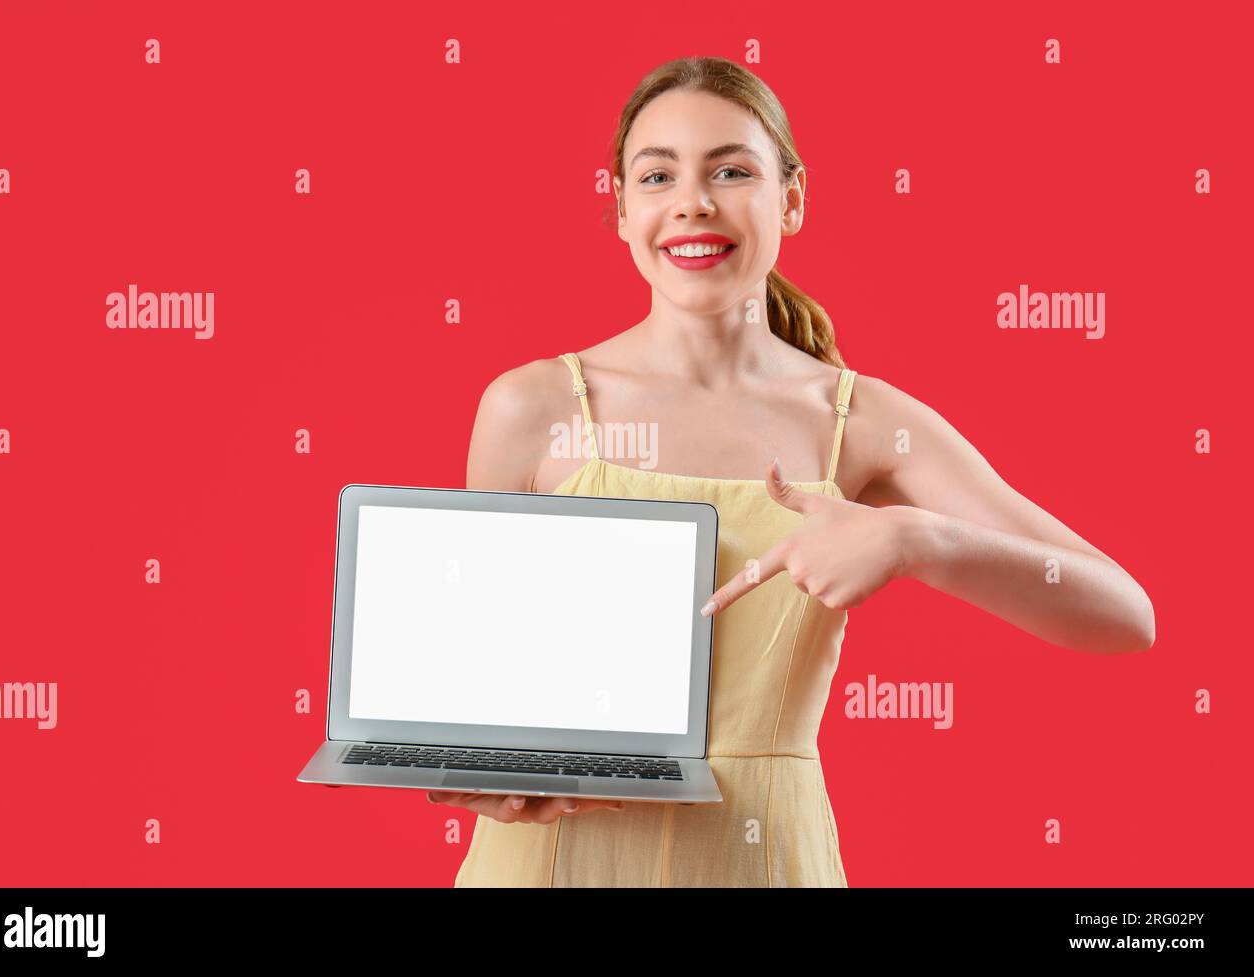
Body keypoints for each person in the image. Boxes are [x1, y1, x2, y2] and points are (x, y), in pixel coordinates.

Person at [430, 56, 1155, 887]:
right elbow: (477, 691)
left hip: (765, 862)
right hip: (548, 866)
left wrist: (916, 539)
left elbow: (1124, 613)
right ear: (622, 208)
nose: (693, 200)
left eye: (732, 170)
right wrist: (481, 767)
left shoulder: (867, 423)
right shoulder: (529, 408)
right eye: (658, 173)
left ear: (793, 198)